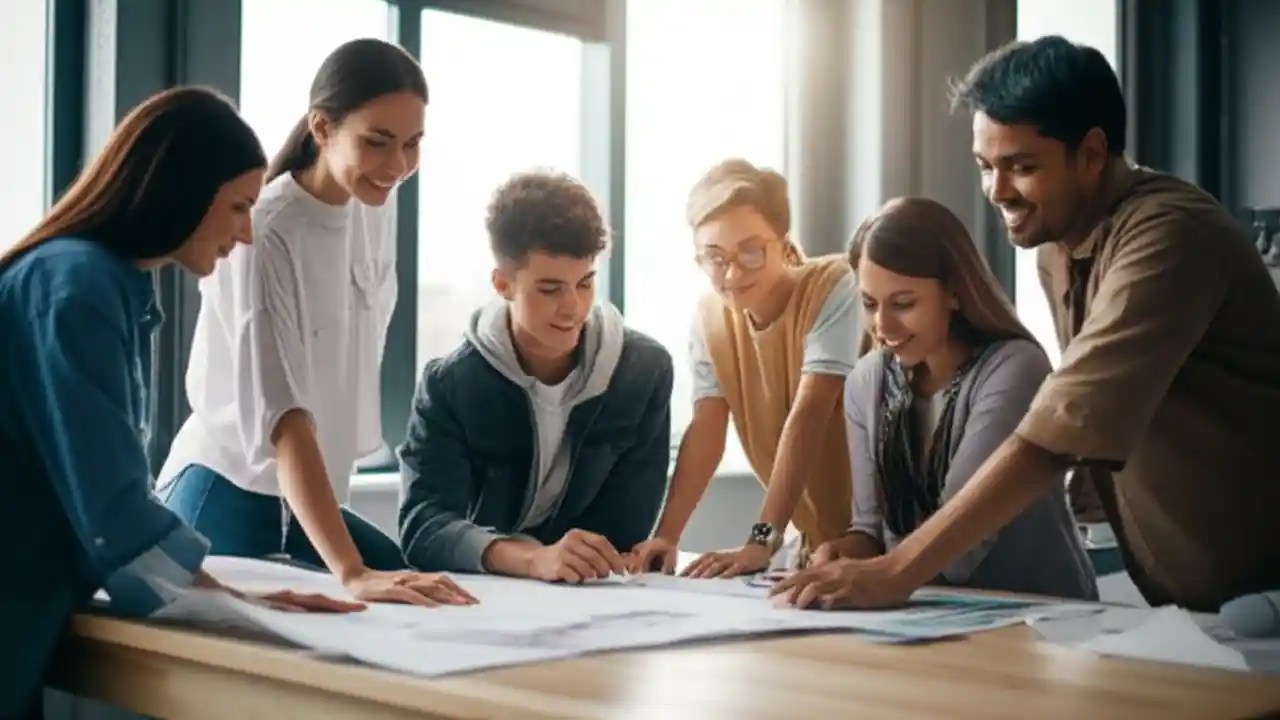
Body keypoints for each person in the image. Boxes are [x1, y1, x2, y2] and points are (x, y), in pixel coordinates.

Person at [773, 36, 1280, 612]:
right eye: (986, 166)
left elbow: (1066, 424)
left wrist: (897, 572)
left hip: (1265, 584)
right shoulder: (1055, 247)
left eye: (1022, 167)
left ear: (1091, 154)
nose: (996, 191)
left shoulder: (1168, 235)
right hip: (1191, 596)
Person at [0, 86, 367, 720]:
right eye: (237, 207)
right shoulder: (76, 286)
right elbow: (111, 507)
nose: (247, 234)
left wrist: (222, 593)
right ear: (180, 192)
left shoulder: (101, 283)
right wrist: (236, 605)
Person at [159, 39, 475, 608]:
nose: (398, 166)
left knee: (432, 599)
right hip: (226, 489)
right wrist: (351, 572)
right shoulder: (266, 230)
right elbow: (286, 420)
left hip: (305, 498)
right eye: (377, 142)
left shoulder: (374, 200)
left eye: (412, 144)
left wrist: (357, 567)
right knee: (258, 669)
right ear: (322, 129)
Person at [398, 169, 673, 584]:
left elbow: (622, 535)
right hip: (488, 596)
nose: (573, 308)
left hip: (591, 596)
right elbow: (422, 527)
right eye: (550, 289)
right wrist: (532, 559)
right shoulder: (450, 385)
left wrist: (568, 560)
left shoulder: (642, 372)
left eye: (585, 283)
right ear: (503, 284)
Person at [815, 196, 1096, 600]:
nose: (882, 325)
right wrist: (841, 556)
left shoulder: (1015, 369)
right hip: (930, 617)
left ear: (954, 293)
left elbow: (959, 556)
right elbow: (871, 532)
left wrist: (879, 570)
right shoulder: (866, 382)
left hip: (1040, 617)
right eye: (870, 304)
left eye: (904, 303)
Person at [627, 159, 862, 578]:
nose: (731, 273)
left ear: (784, 244)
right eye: (714, 257)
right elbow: (707, 430)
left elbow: (811, 411)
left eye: (752, 252)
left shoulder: (834, 286)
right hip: (816, 548)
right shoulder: (709, 320)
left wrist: (760, 541)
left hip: (885, 536)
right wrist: (667, 537)